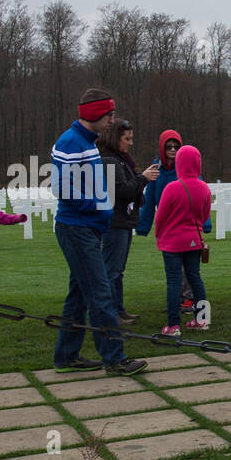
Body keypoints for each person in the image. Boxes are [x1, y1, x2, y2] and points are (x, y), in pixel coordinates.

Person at [50, 88, 147, 375]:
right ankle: (115, 358)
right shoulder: (71, 143)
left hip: (87, 229)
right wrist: (98, 206)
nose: (112, 121)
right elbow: (62, 189)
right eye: (109, 115)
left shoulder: (87, 142)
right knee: (100, 292)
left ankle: (66, 356)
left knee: (79, 295)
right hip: (76, 228)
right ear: (95, 114)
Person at [139, 128, 209, 312]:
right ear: (162, 148)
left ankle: (184, 307)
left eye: (176, 146)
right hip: (171, 227)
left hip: (186, 224)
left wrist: (205, 225)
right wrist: (143, 225)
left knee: (189, 274)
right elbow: (150, 198)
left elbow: (202, 199)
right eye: (168, 146)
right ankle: (184, 309)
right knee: (175, 273)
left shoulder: (188, 170)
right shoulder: (156, 170)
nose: (172, 150)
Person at [97, 118, 159, 324]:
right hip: (115, 221)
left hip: (123, 221)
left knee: (118, 270)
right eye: (127, 139)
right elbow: (121, 190)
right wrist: (143, 178)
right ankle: (109, 314)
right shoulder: (108, 161)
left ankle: (118, 309)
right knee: (111, 270)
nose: (131, 143)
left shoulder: (119, 159)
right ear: (116, 139)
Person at [153, 144, 211, 337]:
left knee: (173, 282)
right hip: (194, 241)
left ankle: (173, 325)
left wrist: (158, 234)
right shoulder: (204, 188)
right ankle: (202, 319)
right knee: (195, 278)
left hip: (172, 242)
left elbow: (160, 216)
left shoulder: (172, 188)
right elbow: (204, 216)